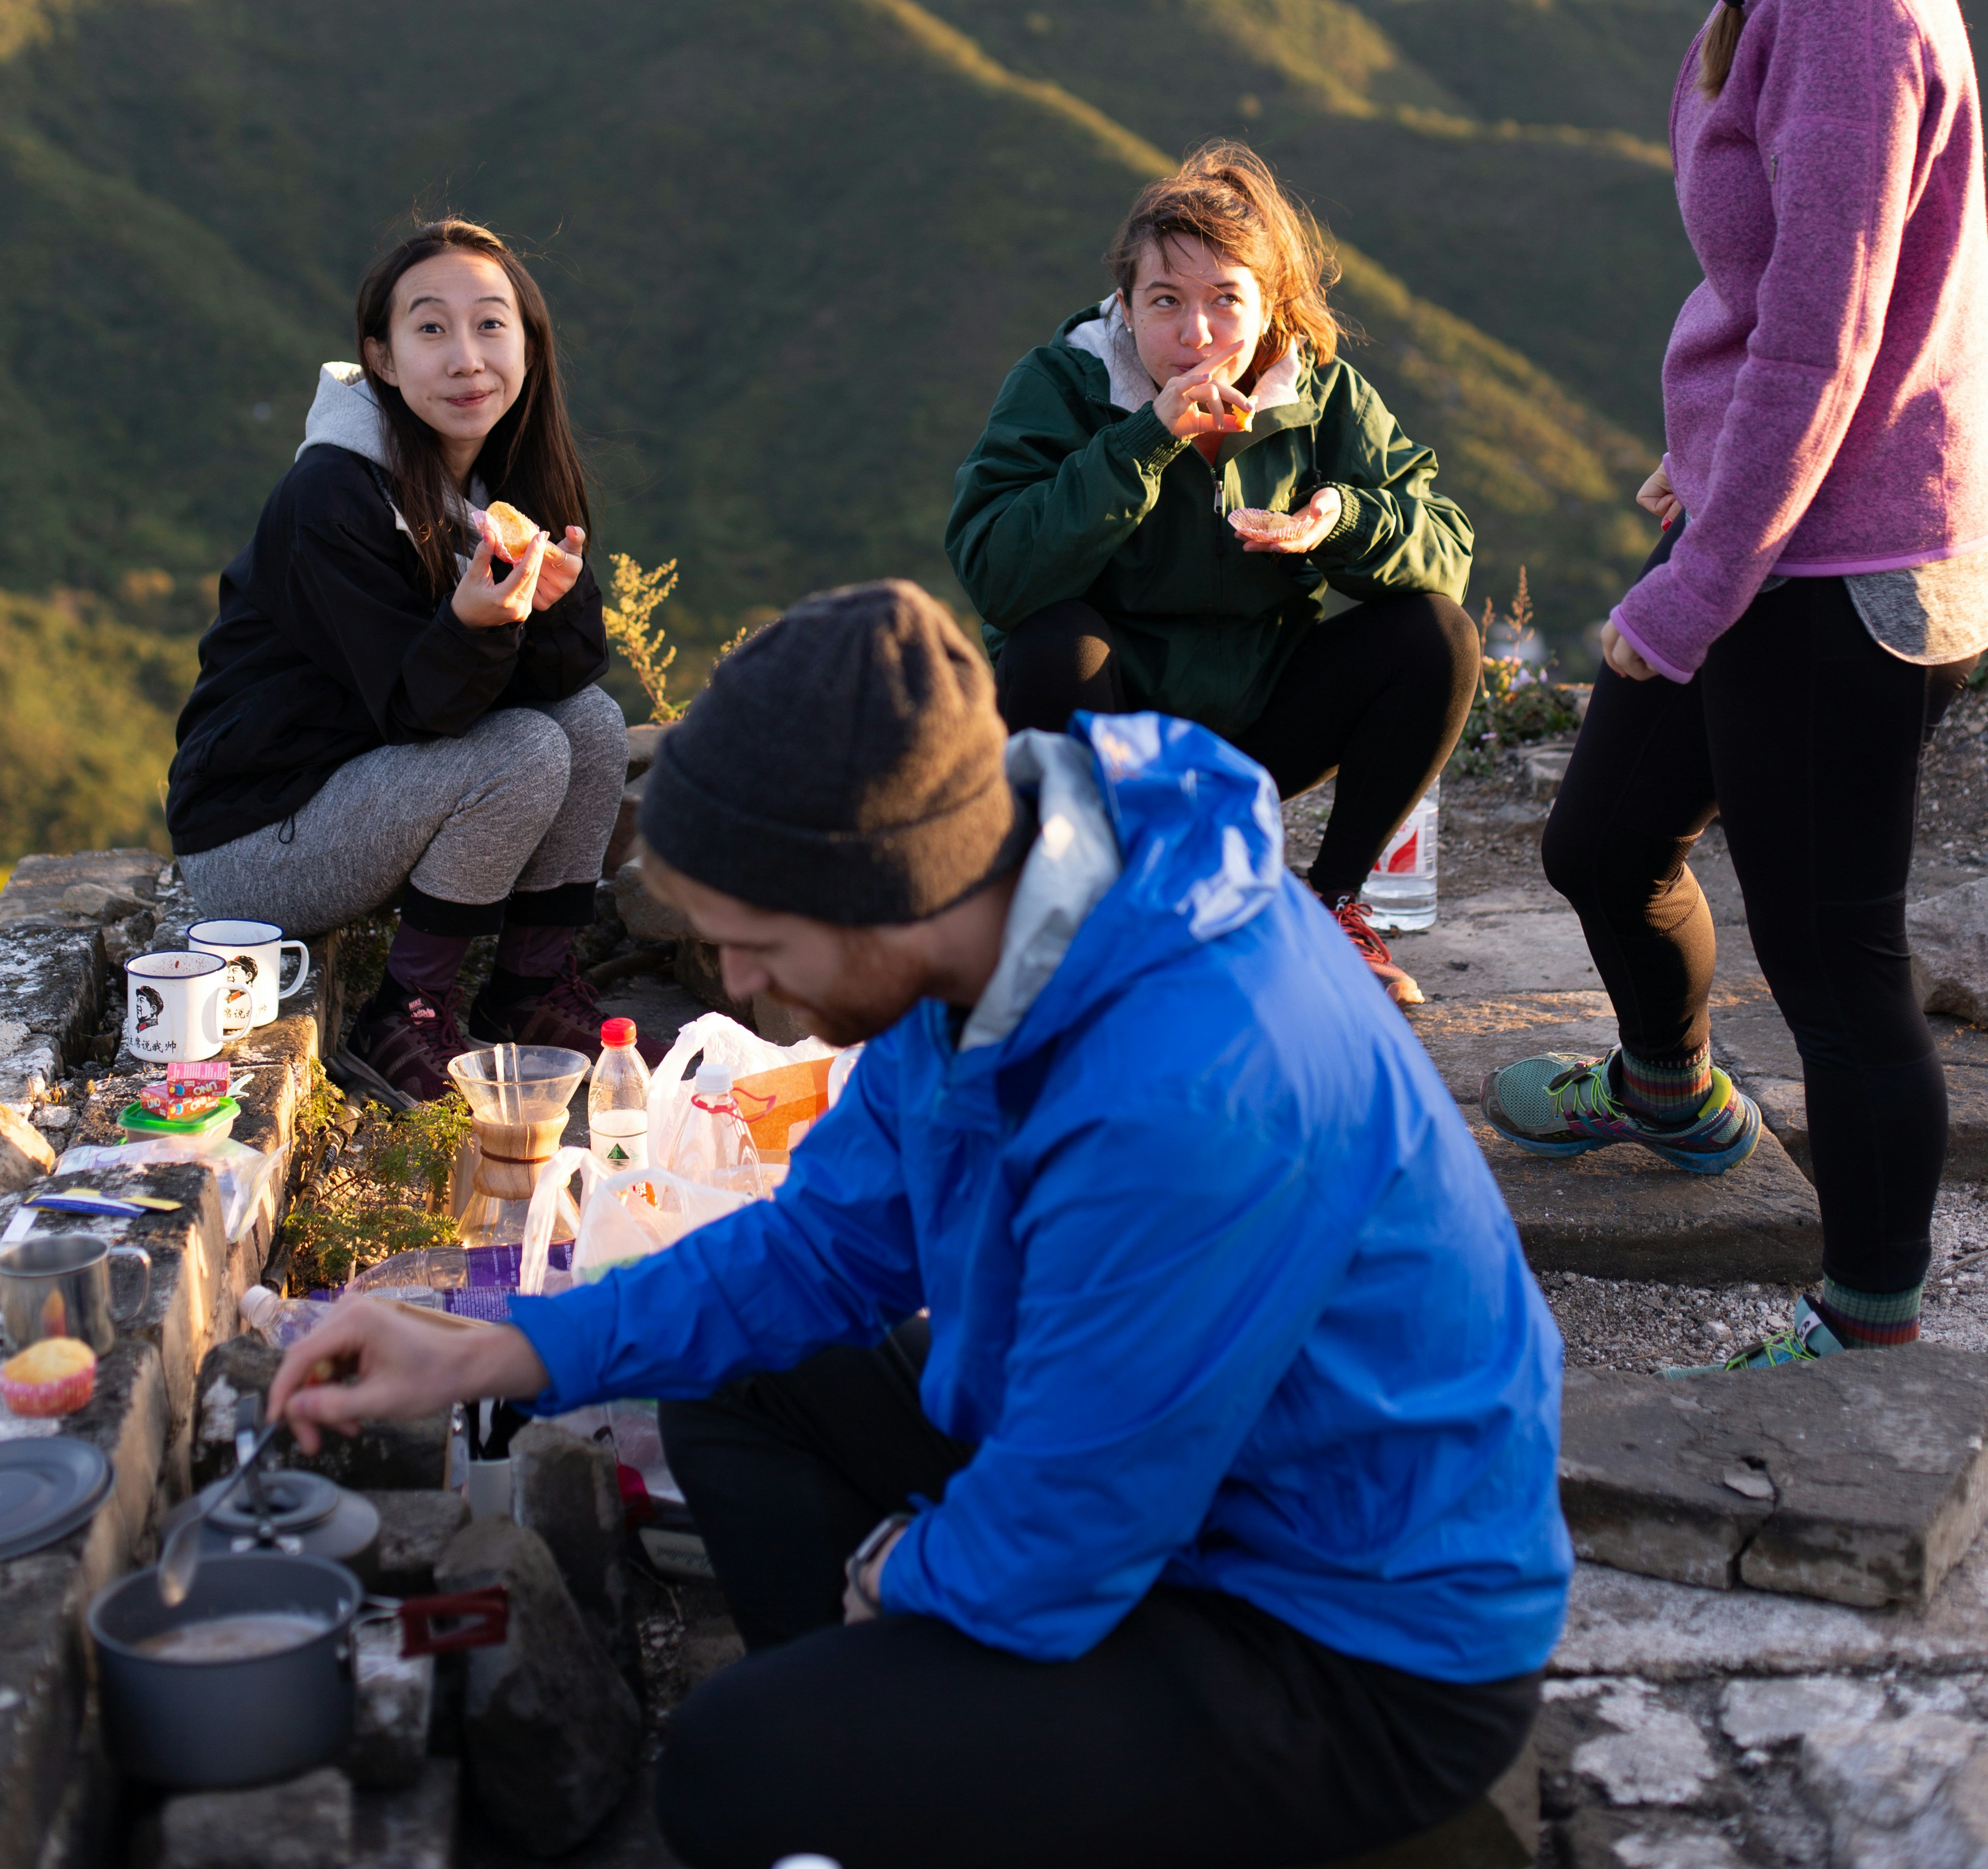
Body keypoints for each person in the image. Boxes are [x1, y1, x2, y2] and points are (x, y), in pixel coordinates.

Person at [270, 578, 1570, 1869]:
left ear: (891, 892)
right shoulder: (1004, 925)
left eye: (758, 944)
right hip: (1177, 1495)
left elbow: (1072, 1527)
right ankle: (902, 1763)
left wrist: (914, 1573)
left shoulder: (1191, 1092)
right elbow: (822, 1248)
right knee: (751, 1387)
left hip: (1349, 1638)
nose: (733, 986)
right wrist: (498, 1348)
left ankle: (879, 1761)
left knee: (730, 1770)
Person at [1484, 0, 1988, 1367]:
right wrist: (1700, 477)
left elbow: (1826, 349)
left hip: (1837, 571)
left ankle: (1867, 1330)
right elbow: (1800, 307)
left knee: (1839, 970)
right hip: (1771, 518)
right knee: (1603, 839)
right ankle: (1674, 1098)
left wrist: (1689, 587)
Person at [945, 142, 1480, 1000]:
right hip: (1111, 720)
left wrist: (1336, 520)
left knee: (1436, 635)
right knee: (1051, 640)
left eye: (1226, 300)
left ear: (1269, 310)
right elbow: (995, 568)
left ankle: (1331, 901)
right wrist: (1141, 444)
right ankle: (1098, 917)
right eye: (1166, 302)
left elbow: (1445, 547)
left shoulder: (1321, 395)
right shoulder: (1065, 385)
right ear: (1125, 307)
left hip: (1261, 718)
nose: (1196, 333)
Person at [167, 218, 627, 1104]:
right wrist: (474, 625)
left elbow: (564, 685)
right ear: (380, 358)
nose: (467, 358)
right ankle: (405, 1011)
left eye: (492, 325)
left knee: (594, 726)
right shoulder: (331, 495)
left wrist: (558, 608)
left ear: (529, 347)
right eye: (430, 328)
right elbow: (420, 713)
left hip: (378, 792)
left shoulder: (502, 483)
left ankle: (531, 986)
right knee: (524, 750)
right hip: (260, 837)